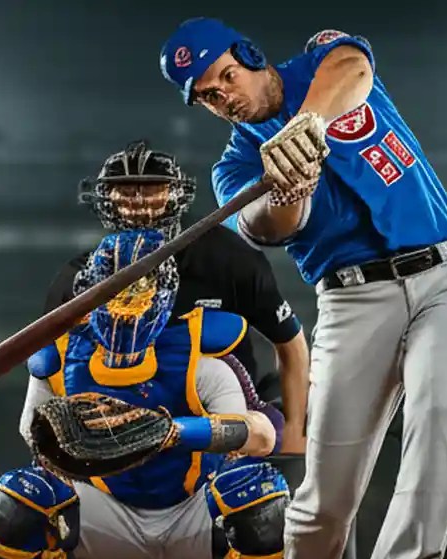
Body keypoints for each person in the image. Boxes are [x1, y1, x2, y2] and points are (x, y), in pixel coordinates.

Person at [159, 20, 447, 559]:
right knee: (326, 493)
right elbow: (268, 229)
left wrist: (306, 127)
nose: (222, 95)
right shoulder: (234, 168)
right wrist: (289, 184)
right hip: (353, 302)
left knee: (437, 432)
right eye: (204, 94)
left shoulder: (322, 62)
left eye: (226, 75)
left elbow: (353, 68)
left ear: (250, 56)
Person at [0, 227, 291, 559]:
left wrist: (174, 433)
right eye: (115, 285)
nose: (127, 300)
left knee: (259, 493)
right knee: (16, 501)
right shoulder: (59, 358)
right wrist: (82, 446)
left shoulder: (198, 356)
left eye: (140, 285)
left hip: (190, 515)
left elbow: (260, 435)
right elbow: (36, 440)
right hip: (108, 514)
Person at [48, 140, 310, 452]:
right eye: (127, 191)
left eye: (152, 189)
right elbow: (56, 367)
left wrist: (295, 431)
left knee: (267, 432)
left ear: (175, 195)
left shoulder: (231, 259)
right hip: (120, 416)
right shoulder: (79, 277)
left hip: (221, 408)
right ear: (107, 199)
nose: (140, 202)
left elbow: (290, 342)